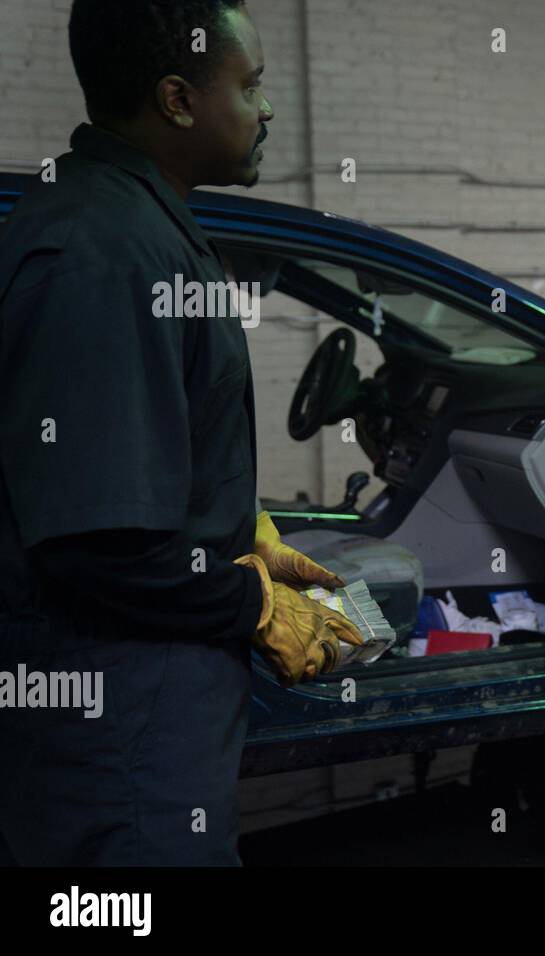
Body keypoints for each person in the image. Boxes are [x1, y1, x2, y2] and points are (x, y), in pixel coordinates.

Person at [0, 0, 361, 866]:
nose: (267, 108)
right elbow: (100, 547)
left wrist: (245, 534)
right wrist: (257, 604)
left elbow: (145, 459)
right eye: (252, 84)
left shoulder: (135, 221)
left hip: (139, 717)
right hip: (119, 734)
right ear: (176, 99)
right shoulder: (105, 255)